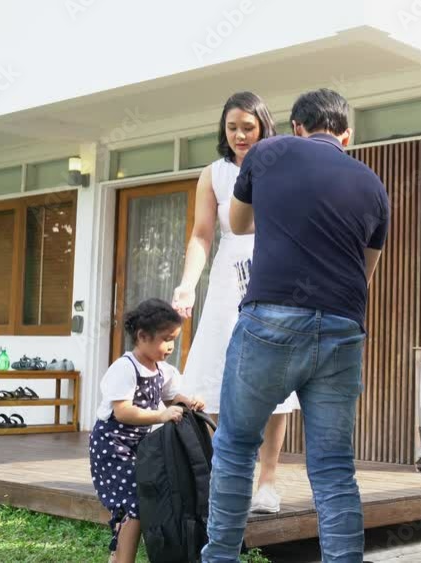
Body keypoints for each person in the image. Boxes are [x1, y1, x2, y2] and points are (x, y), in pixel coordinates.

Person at [203, 89, 389, 563]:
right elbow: (364, 272)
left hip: (271, 319)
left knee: (235, 445)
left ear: (298, 126)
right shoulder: (373, 184)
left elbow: (239, 224)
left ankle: (220, 557)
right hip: (342, 328)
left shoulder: (268, 152)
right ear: (346, 135)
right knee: (332, 468)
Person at [172, 91, 299, 514]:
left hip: (275, 275)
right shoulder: (214, 174)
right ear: (223, 131)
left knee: (275, 381)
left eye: (248, 126)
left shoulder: (283, 165)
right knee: (220, 376)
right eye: (232, 127)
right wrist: (188, 284)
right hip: (229, 279)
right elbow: (202, 234)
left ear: (264, 124)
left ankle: (267, 482)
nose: (240, 135)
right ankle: (229, 478)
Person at [89, 298, 205, 563]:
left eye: (174, 339)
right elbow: (123, 412)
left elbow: (173, 397)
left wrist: (189, 402)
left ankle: (117, 556)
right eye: (166, 339)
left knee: (139, 500)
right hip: (112, 447)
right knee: (134, 503)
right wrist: (161, 415)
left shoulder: (162, 370)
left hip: (138, 448)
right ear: (142, 336)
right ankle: (123, 559)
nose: (171, 346)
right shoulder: (125, 368)